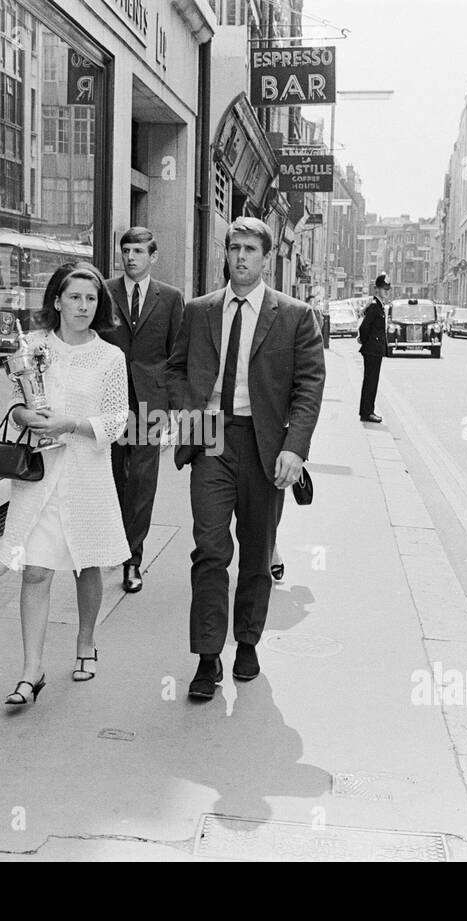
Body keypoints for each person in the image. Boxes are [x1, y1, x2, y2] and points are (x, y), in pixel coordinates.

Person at [166, 217, 326, 700]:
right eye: (234, 248)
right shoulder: (199, 311)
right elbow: (174, 368)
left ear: (265, 256)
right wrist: (186, 408)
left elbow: (309, 386)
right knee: (210, 550)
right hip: (211, 439)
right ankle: (207, 655)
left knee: (257, 551)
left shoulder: (294, 315)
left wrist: (295, 448)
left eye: (251, 250)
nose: (240, 258)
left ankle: (248, 643)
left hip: (265, 445)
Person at [0, 263, 130, 706]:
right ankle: (31, 670)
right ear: (57, 300)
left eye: (91, 299)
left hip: (87, 474)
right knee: (35, 571)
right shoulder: (32, 347)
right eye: (74, 297)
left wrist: (71, 423)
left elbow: (117, 420)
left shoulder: (110, 357)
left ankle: (85, 641)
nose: (83, 306)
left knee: (86, 564)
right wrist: (26, 417)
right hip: (42, 475)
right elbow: (17, 403)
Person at [99, 227, 184, 594]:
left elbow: (177, 355)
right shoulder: (104, 291)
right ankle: (111, 545)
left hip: (151, 403)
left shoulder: (171, 298)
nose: (130, 257)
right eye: (126, 250)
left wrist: (177, 407)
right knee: (113, 478)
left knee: (142, 483)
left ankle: (133, 560)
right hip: (110, 401)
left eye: (137, 251)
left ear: (153, 256)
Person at [357, 274, 390, 422]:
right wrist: (365, 342)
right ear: (376, 289)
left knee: (371, 381)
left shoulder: (378, 305)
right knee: (371, 381)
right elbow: (364, 327)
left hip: (374, 349)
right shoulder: (375, 306)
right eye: (384, 289)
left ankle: (367, 411)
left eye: (387, 289)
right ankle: (367, 412)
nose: (386, 292)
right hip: (372, 350)